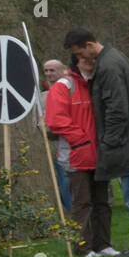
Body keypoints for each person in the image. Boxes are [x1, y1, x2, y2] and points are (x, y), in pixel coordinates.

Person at [63, 28, 129, 257]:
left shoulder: (107, 66)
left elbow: (117, 110)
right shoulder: (116, 56)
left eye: (80, 53)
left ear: (89, 44)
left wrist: (109, 143)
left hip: (125, 143)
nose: (81, 59)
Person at [45, 55, 116, 257]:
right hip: (75, 155)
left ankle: (103, 245)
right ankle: (83, 248)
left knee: (102, 202)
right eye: (86, 61)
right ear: (76, 64)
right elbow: (56, 120)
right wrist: (81, 141)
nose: (91, 64)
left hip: (98, 155)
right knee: (82, 202)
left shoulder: (95, 85)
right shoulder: (64, 86)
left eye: (93, 61)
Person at [40, 59, 72, 213]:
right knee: (58, 179)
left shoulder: (69, 90)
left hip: (68, 142)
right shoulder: (42, 96)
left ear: (62, 70)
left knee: (67, 179)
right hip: (49, 143)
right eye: (46, 71)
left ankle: (73, 213)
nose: (48, 74)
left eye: (52, 70)